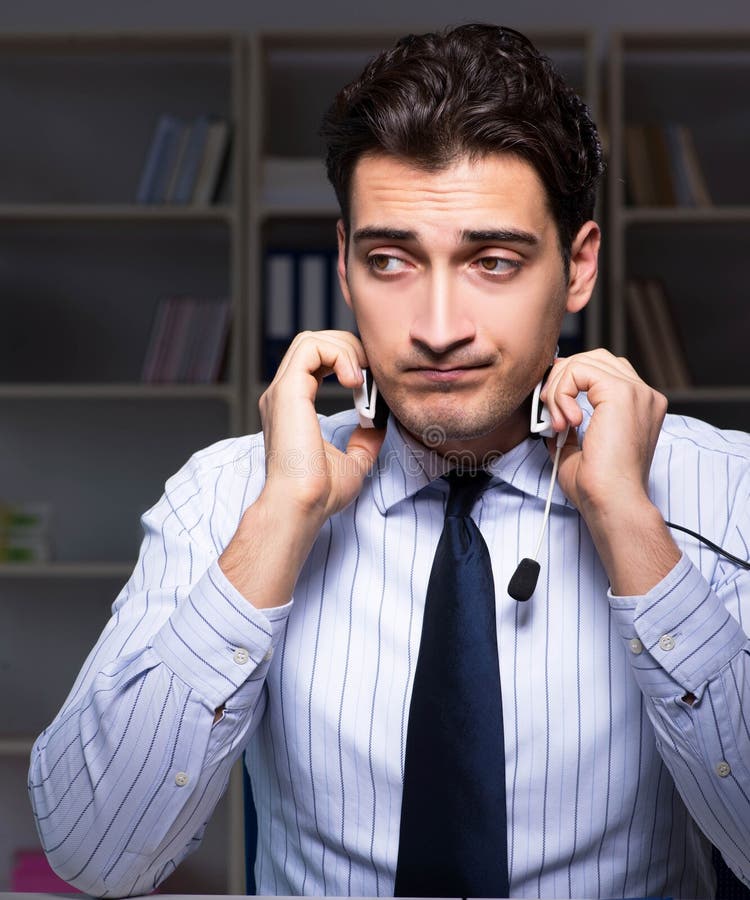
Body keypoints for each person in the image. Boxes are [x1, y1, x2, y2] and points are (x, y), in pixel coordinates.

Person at [29, 23, 750, 899]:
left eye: (493, 261)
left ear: (578, 267)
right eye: (390, 260)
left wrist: (633, 526)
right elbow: (95, 855)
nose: (438, 328)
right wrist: (280, 518)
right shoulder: (225, 495)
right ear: (343, 266)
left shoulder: (724, 489)